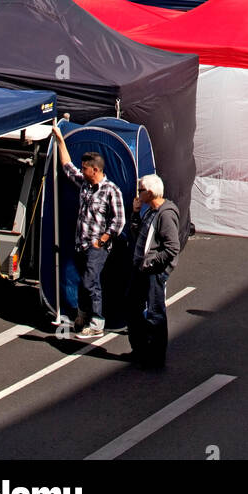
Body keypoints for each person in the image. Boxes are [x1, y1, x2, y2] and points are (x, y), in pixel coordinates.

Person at [50, 124, 126, 338]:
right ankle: (82, 315)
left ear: (96, 169)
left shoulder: (111, 190)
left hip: (96, 246)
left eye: (85, 168)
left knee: (90, 281)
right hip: (80, 244)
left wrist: (101, 240)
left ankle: (97, 322)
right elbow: (67, 166)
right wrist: (60, 140)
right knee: (86, 281)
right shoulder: (84, 184)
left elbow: (119, 221)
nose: (82, 170)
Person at [127, 173, 180, 368]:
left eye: (140, 190)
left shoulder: (165, 214)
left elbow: (172, 247)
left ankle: (156, 357)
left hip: (153, 271)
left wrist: (153, 263)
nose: (138, 194)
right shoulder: (150, 211)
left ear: (150, 192)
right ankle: (140, 349)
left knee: (155, 313)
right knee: (133, 307)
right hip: (141, 268)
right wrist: (135, 213)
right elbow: (138, 234)